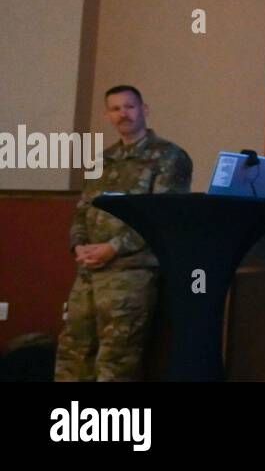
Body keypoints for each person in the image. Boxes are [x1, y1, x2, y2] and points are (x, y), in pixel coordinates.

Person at [54, 85, 192, 382]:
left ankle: (113, 426)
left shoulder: (169, 157)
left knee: (116, 359)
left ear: (144, 109)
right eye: (115, 109)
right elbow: (82, 211)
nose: (123, 114)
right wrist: (79, 246)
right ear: (108, 115)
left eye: (129, 107)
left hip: (132, 272)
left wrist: (114, 247)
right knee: (72, 351)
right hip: (89, 272)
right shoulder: (100, 161)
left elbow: (163, 217)